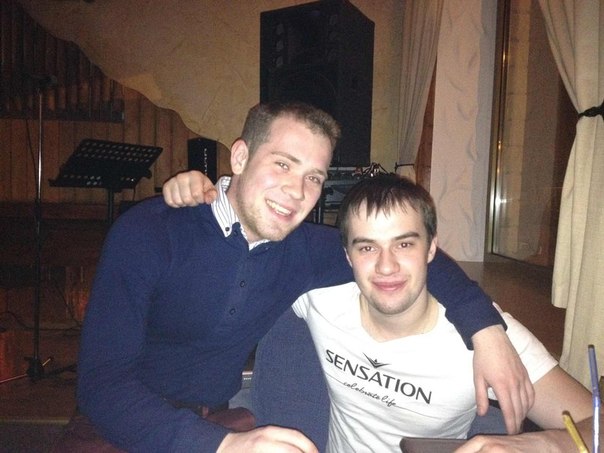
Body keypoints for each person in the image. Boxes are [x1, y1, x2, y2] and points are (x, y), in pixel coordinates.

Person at [76, 101, 530, 453]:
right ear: (240, 156)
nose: (296, 191)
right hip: (127, 424)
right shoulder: (150, 232)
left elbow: (409, 254)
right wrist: (222, 445)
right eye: (283, 164)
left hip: (220, 421)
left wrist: (486, 329)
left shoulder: (306, 250)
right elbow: (101, 385)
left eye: (314, 177)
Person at [283, 173, 600, 452]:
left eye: (404, 245)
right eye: (367, 247)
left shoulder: (489, 339)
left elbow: (595, 422)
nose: (386, 266)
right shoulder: (321, 300)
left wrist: (545, 444)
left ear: (431, 249)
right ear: (347, 257)